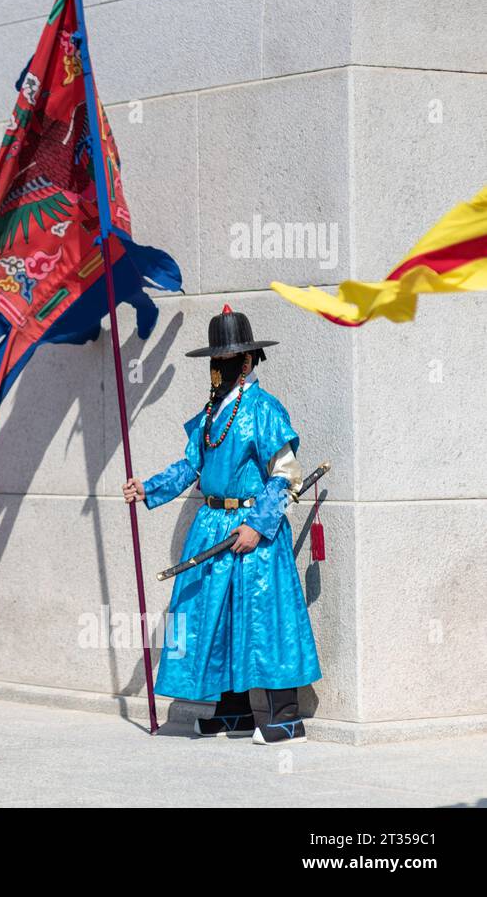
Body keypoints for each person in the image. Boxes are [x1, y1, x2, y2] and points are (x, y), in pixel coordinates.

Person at [123, 305, 321, 745]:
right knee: (214, 616)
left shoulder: (265, 409)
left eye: (226, 359)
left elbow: (284, 472)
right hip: (212, 525)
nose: (218, 367)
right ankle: (232, 711)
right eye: (214, 359)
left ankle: (284, 718)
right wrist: (148, 487)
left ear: (246, 362)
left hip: (253, 530)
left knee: (263, 618)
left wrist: (259, 524)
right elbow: (191, 464)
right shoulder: (212, 412)